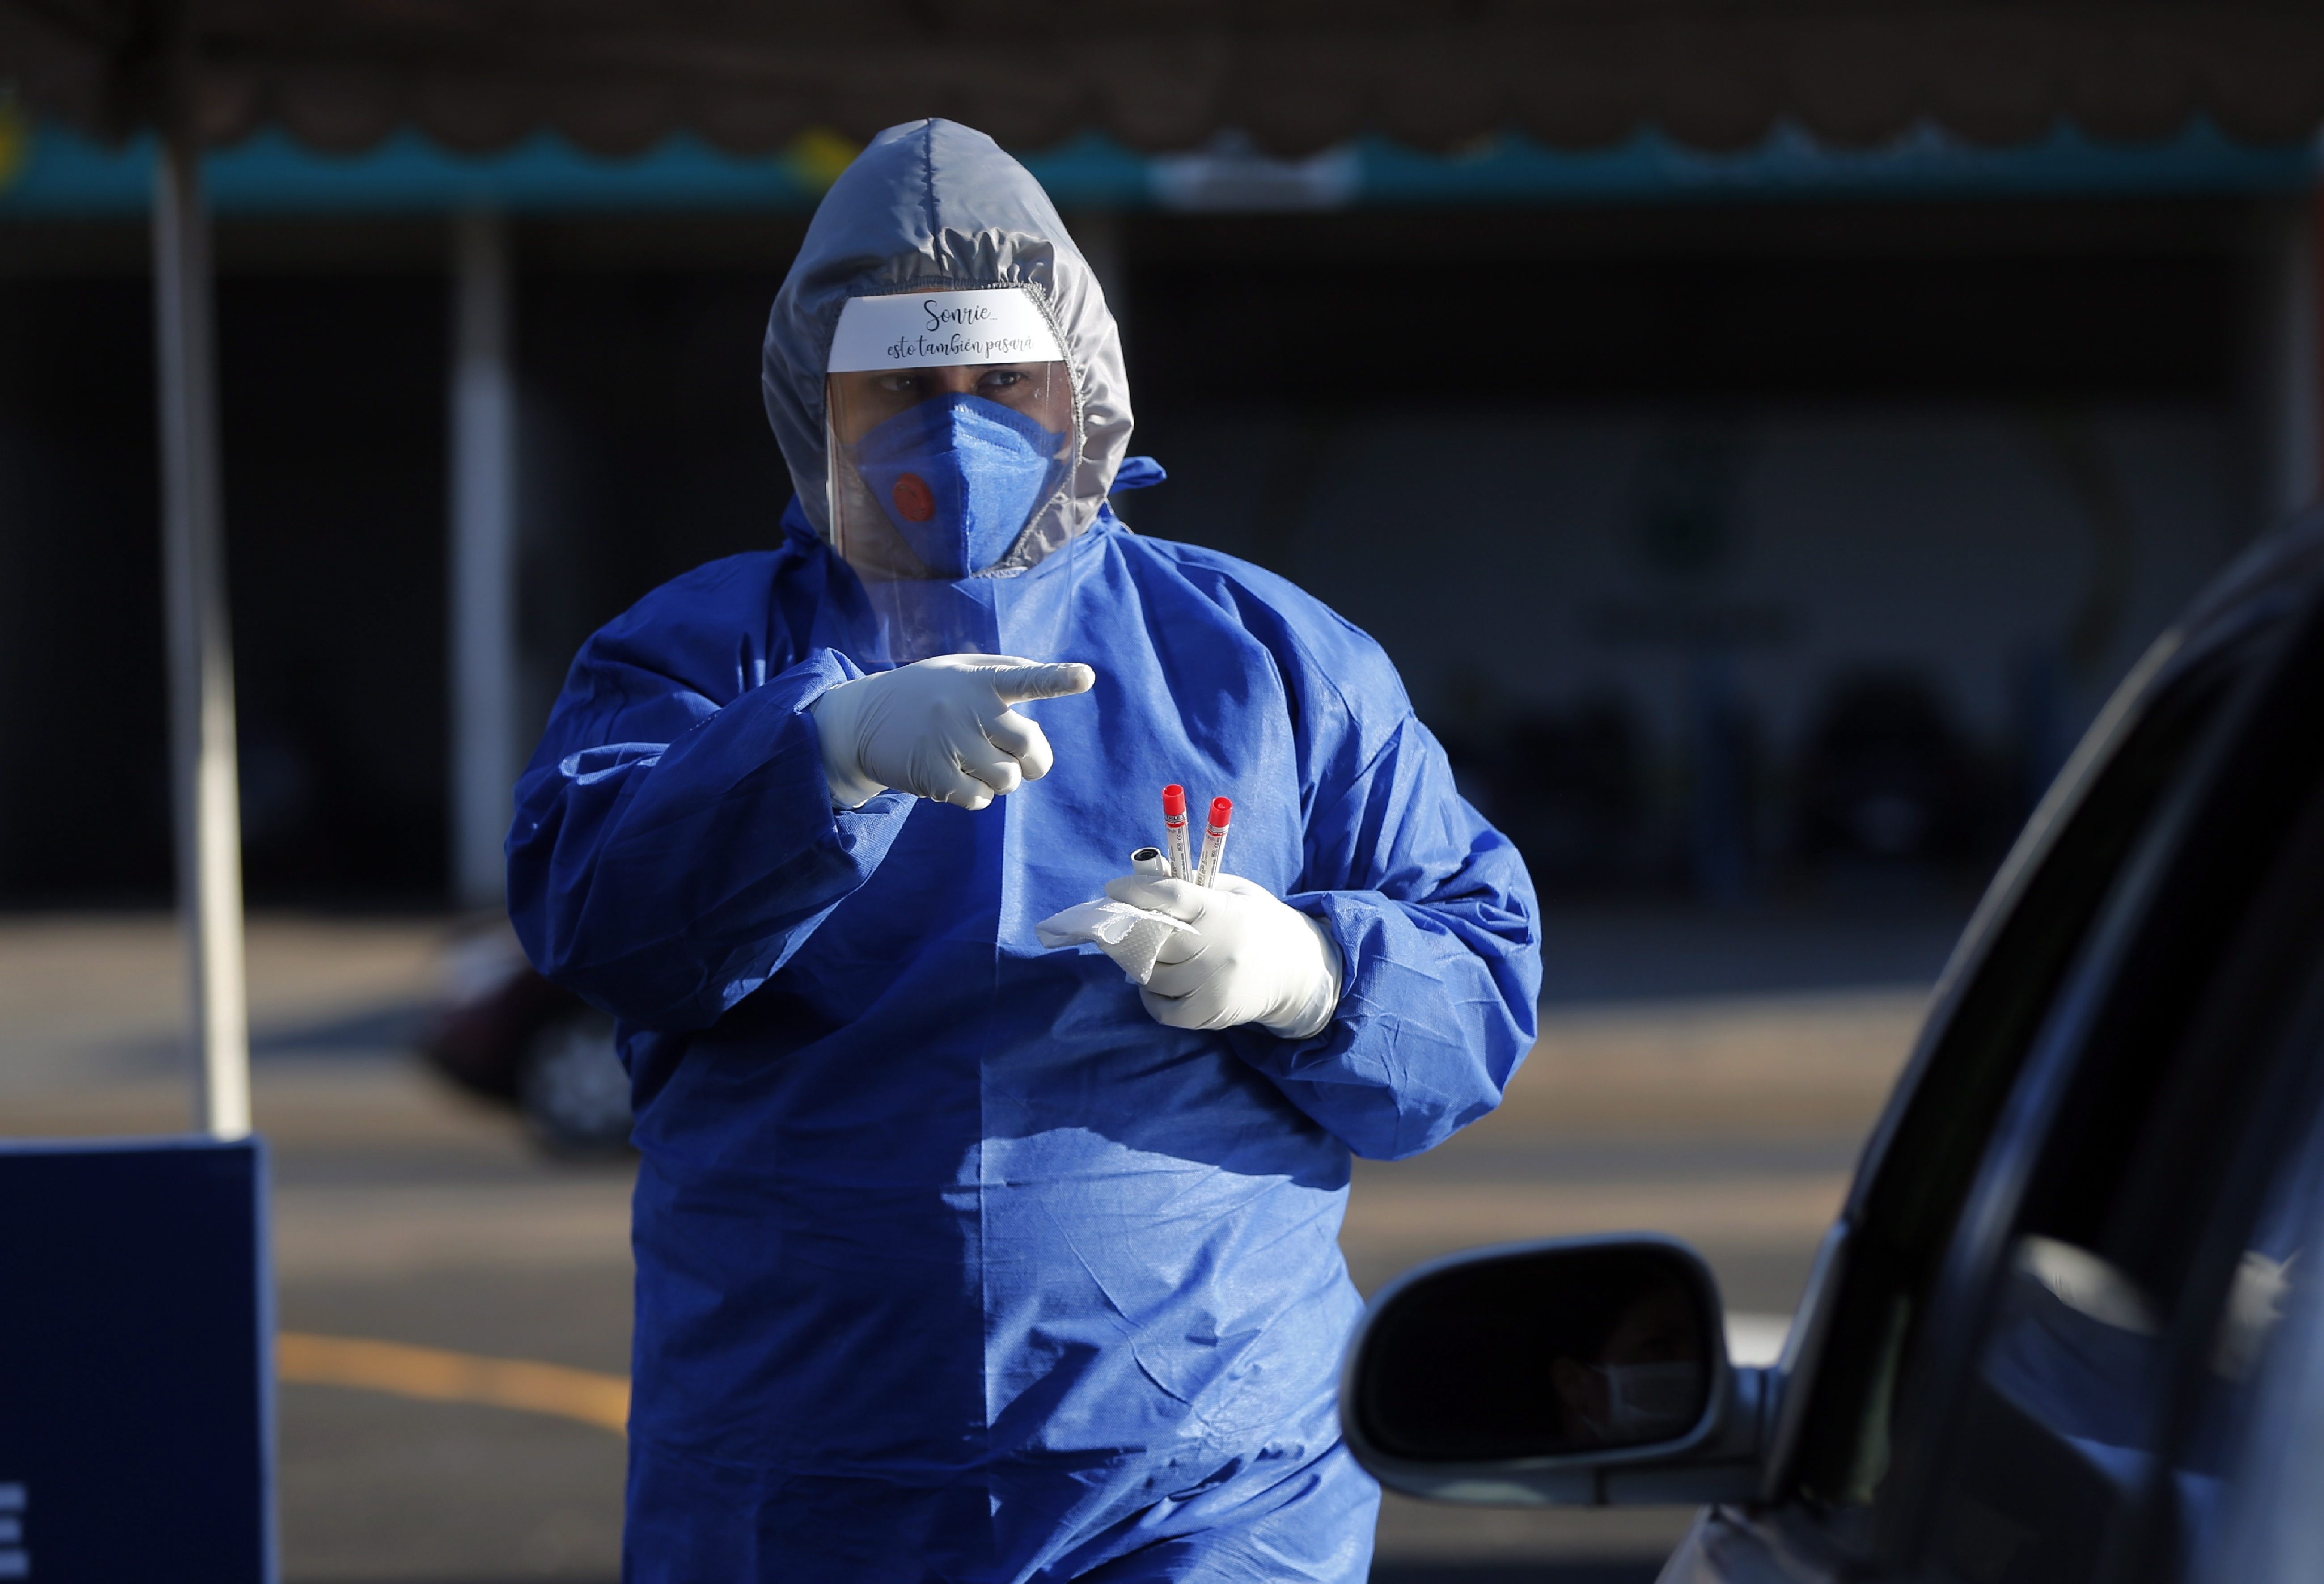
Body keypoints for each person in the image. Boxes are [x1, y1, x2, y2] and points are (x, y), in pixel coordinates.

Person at [508, 117, 1542, 1584]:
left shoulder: (1263, 659)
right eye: (903, 386)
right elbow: (593, 918)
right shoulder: (698, 657)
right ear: (817, 401)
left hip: (1201, 1477)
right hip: (804, 1472)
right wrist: (820, 754)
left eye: (1000, 380)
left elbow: (1478, 981)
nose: (955, 427)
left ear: (1087, 385)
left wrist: (1309, 971)